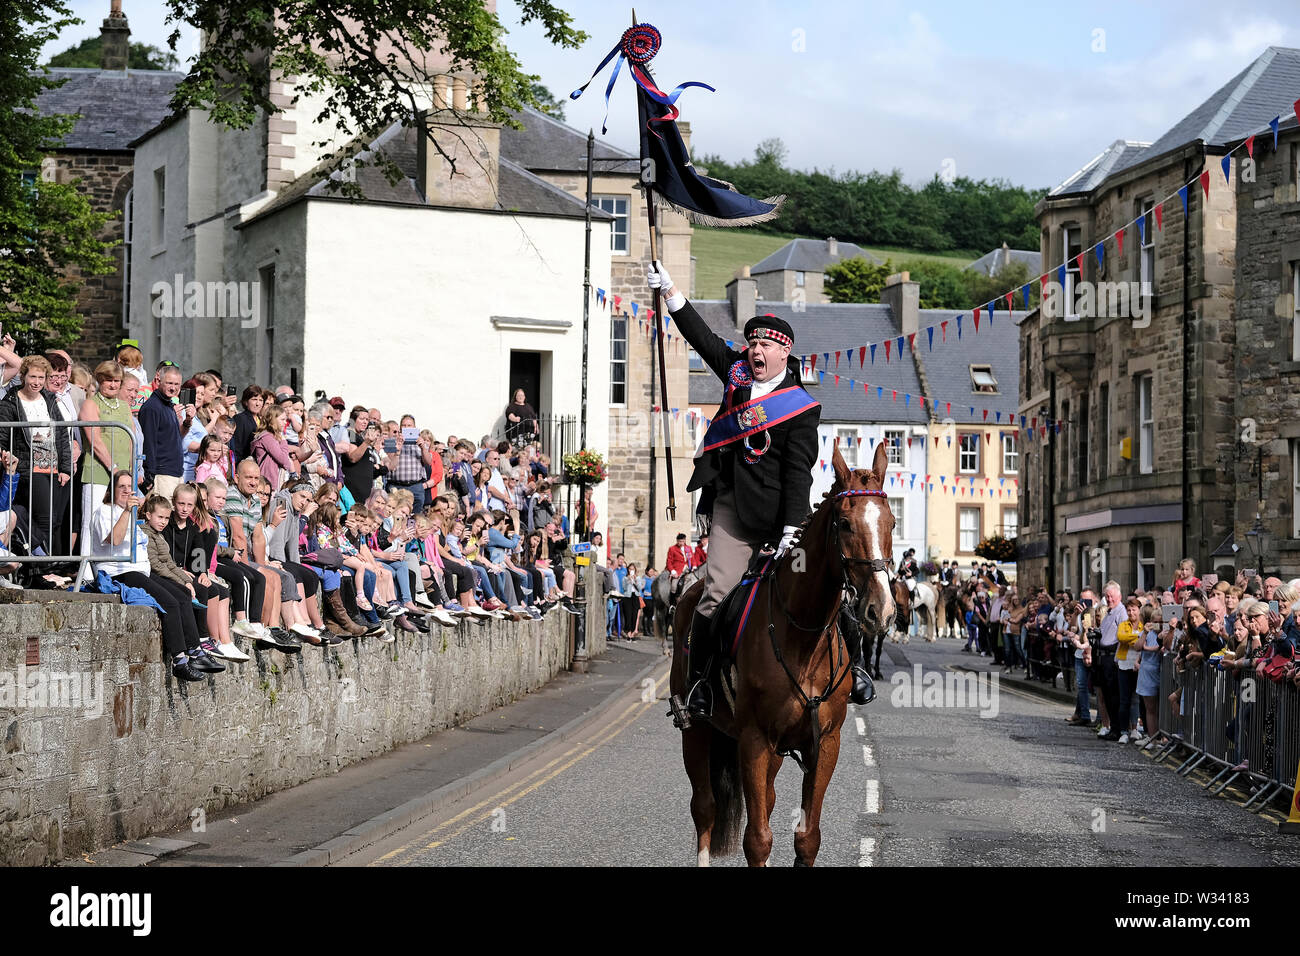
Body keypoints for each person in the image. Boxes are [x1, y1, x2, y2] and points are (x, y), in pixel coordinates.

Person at [647, 259, 839, 724]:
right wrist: (670, 289)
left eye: (764, 345)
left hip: (783, 519)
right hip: (733, 510)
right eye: (751, 342)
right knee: (715, 596)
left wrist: (795, 528)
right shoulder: (735, 374)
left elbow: (800, 472)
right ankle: (700, 688)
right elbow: (700, 337)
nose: (755, 350)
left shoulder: (801, 408)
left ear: (784, 353)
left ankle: (852, 677)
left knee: (826, 590)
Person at [89, 471, 219, 681]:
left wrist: (185, 580)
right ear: (111, 489)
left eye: (129, 487)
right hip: (119, 571)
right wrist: (127, 512)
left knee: (183, 595)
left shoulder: (132, 516)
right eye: (121, 486)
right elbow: (114, 540)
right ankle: (179, 660)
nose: (126, 491)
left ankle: (195, 651)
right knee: (170, 603)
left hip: (142, 571)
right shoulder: (105, 511)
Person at [0, 355, 74, 555]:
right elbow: (3, 438)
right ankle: (40, 564)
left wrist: (65, 468)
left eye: (41, 377)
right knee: (45, 518)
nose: (37, 382)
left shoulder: (49, 400)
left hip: (52, 466)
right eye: (33, 377)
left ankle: (38, 561)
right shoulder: (10, 402)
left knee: (53, 518)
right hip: (28, 467)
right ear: (23, 376)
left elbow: (61, 435)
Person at [138, 362, 186, 499]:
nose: (173, 388)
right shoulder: (152, 407)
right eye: (169, 383)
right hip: (161, 473)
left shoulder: (169, 405)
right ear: (159, 381)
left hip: (175, 472)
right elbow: (148, 442)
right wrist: (150, 474)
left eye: (177, 384)